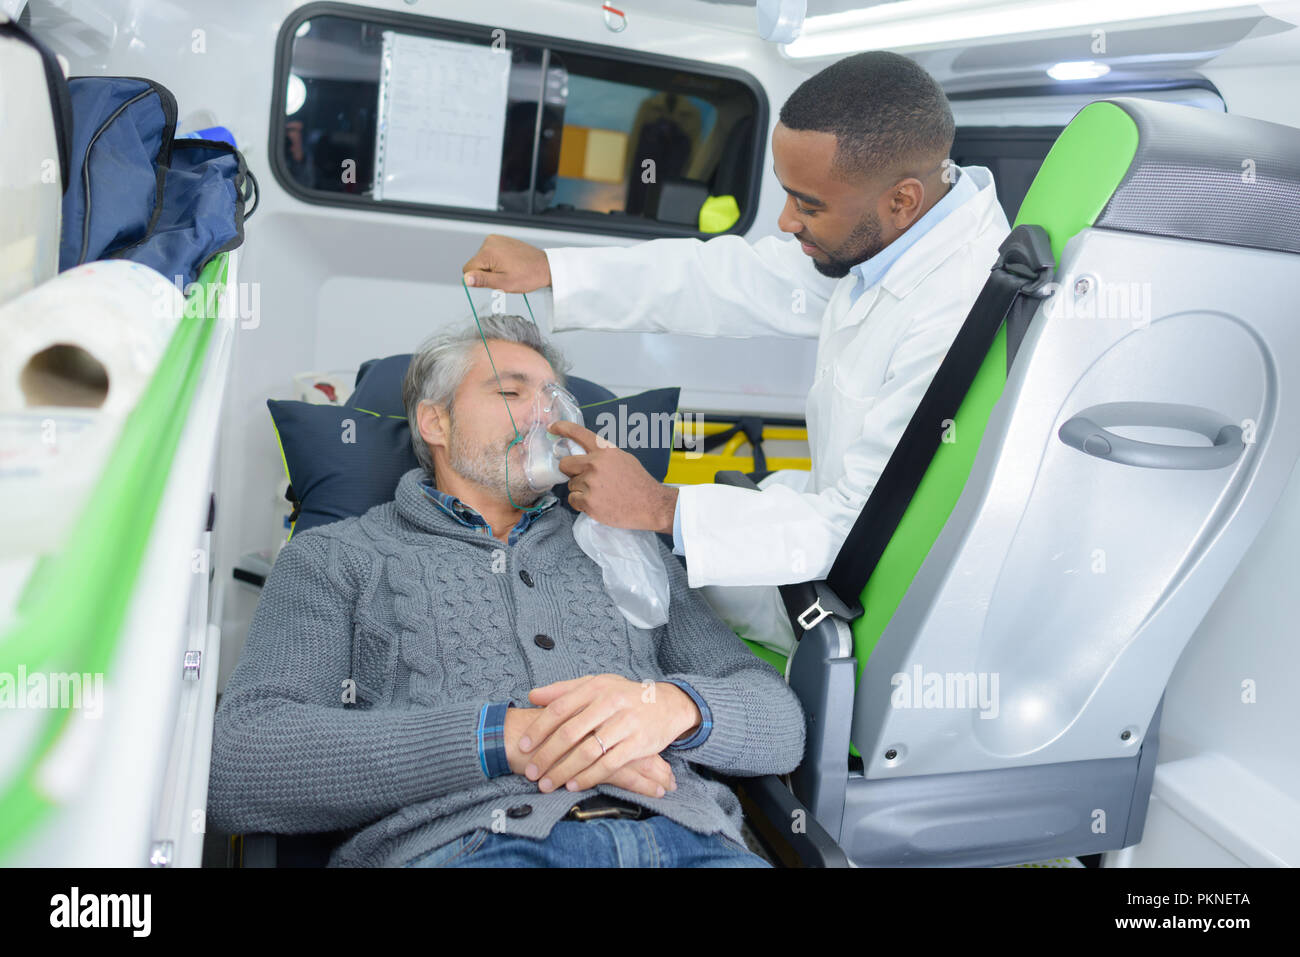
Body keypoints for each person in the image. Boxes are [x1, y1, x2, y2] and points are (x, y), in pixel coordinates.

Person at [461, 51, 1011, 654]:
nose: (785, 220)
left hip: (857, 602)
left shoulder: (955, 313)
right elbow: (732, 280)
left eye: (809, 204)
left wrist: (661, 507)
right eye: (786, 195)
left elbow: (865, 525)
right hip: (807, 542)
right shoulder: (892, 238)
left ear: (902, 200)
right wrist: (552, 270)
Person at [206, 315, 806, 868]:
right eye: (512, 392)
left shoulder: (628, 548)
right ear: (435, 422)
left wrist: (673, 708)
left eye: (554, 399)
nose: (545, 415)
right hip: (476, 848)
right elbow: (241, 763)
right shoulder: (335, 558)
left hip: (690, 843)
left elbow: (780, 722)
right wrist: (505, 738)